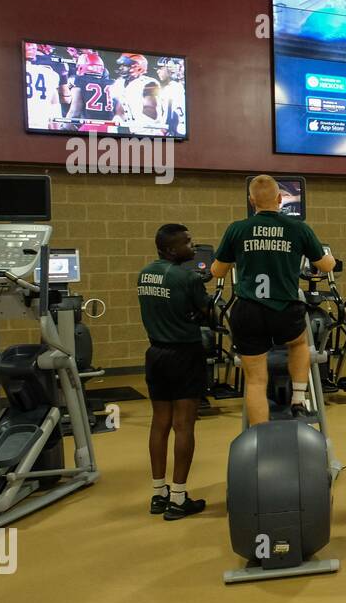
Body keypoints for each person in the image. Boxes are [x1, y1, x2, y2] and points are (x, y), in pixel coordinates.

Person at [211, 174, 335, 426]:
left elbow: (217, 272)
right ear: (280, 199)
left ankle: (260, 440)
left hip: (249, 310)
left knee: (256, 380)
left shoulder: (237, 228)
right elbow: (324, 264)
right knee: (299, 343)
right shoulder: (299, 228)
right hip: (284, 309)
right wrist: (330, 260)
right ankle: (298, 400)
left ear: (251, 200)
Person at [137, 223, 210, 520]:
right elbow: (208, 311)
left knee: (160, 423)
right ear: (170, 249)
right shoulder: (187, 277)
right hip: (184, 354)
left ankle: (159, 493)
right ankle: (179, 497)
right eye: (187, 243)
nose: (192, 248)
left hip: (155, 354)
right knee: (184, 425)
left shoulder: (144, 274)